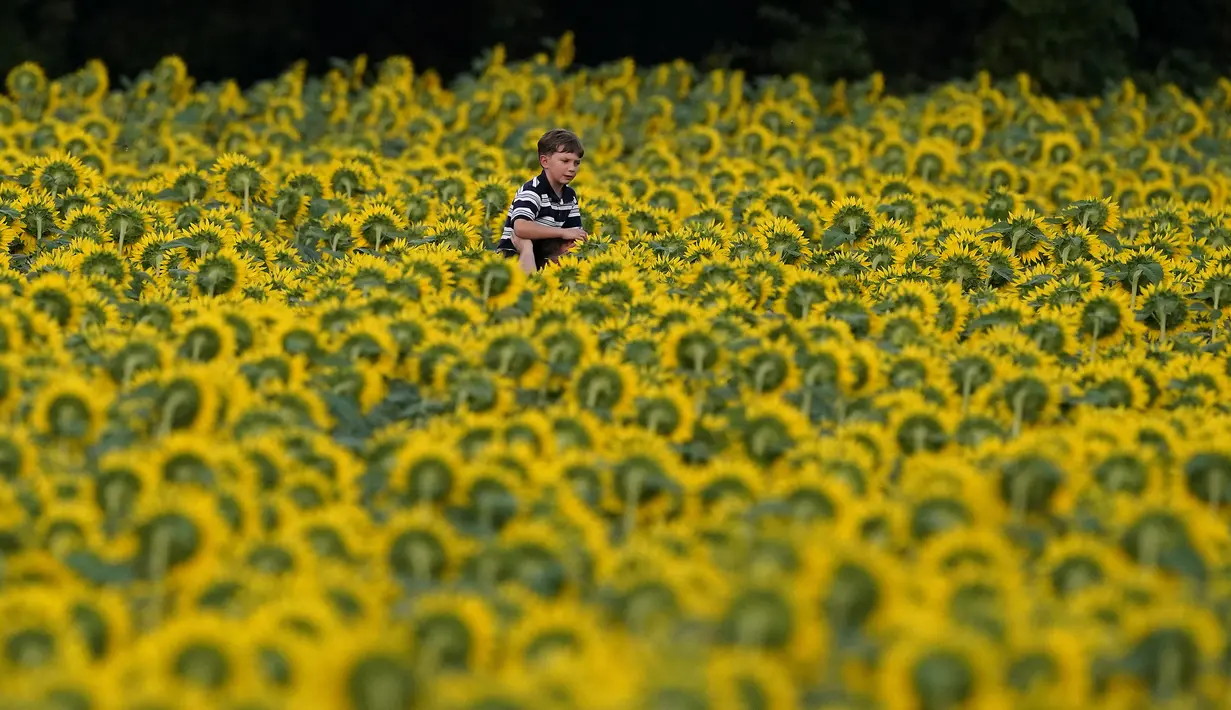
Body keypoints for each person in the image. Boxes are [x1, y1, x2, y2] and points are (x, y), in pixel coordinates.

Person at [495, 128, 587, 274]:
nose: (572, 168)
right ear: (545, 161)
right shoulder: (532, 190)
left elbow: (574, 233)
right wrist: (562, 233)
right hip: (514, 257)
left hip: (544, 255)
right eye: (565, 161)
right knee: (525, 243)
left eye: (576, 163)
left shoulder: (569, 195)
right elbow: (520, 227)